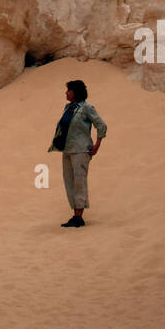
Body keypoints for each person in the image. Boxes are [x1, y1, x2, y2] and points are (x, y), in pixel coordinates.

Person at [48, 79, 107, 228]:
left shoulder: (87, 107)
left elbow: (101, 125)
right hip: (67, 149)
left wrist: (97, 145)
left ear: (75, 92)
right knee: (69, 181)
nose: (66, 93)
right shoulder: (68, 108)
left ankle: (78, 217)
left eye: (69, 90)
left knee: (79, 182)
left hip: (81, 150)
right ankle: (75, 214)